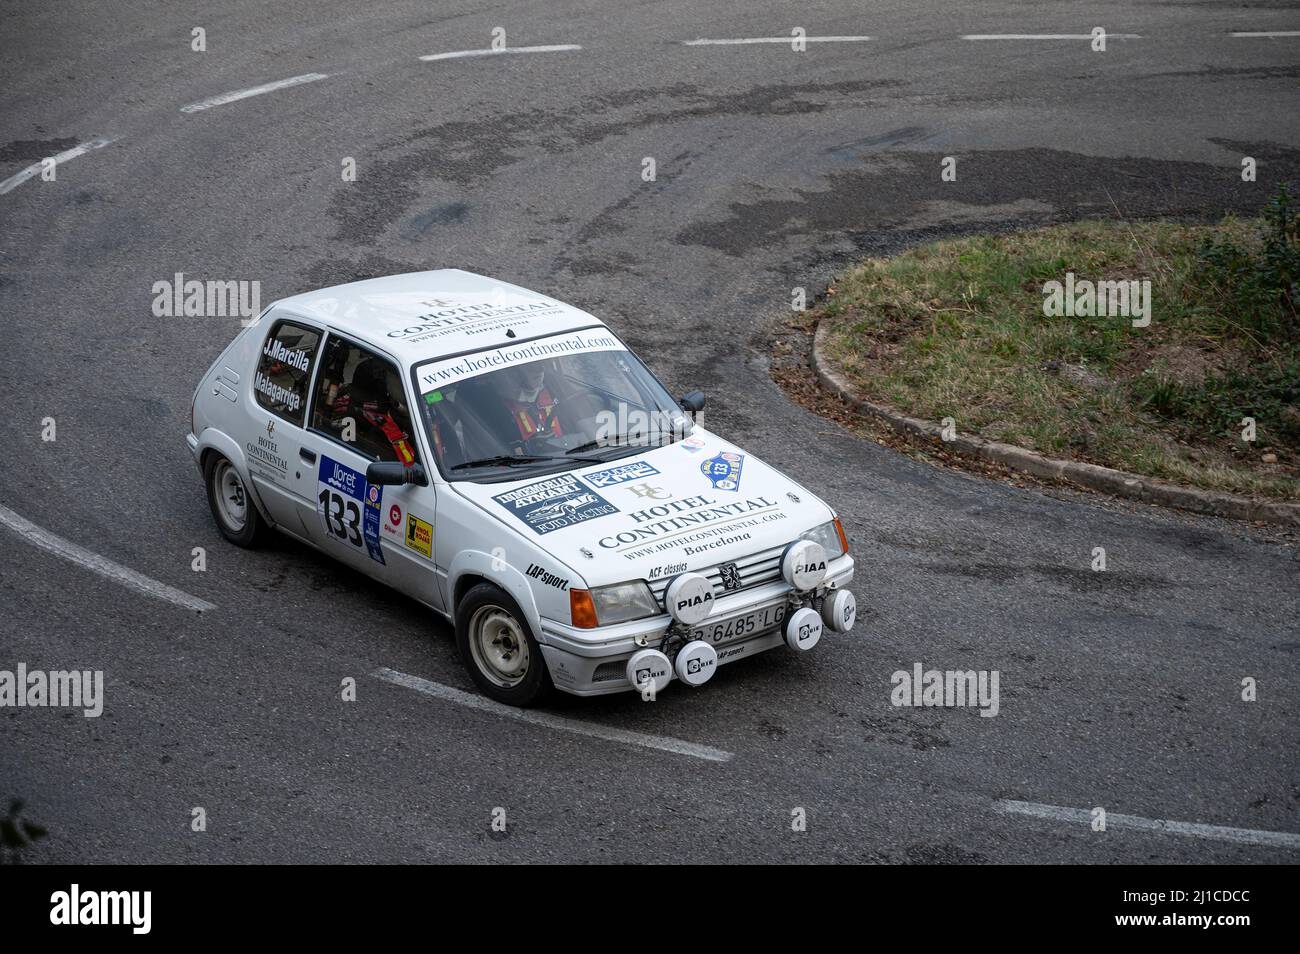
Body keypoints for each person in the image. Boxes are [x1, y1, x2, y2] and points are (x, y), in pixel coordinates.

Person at [494, 363, 563, 443]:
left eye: (540, 366)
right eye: (531, 366)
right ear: (514, 373)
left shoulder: (554, 390)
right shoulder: (497, 412)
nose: (540, 370)